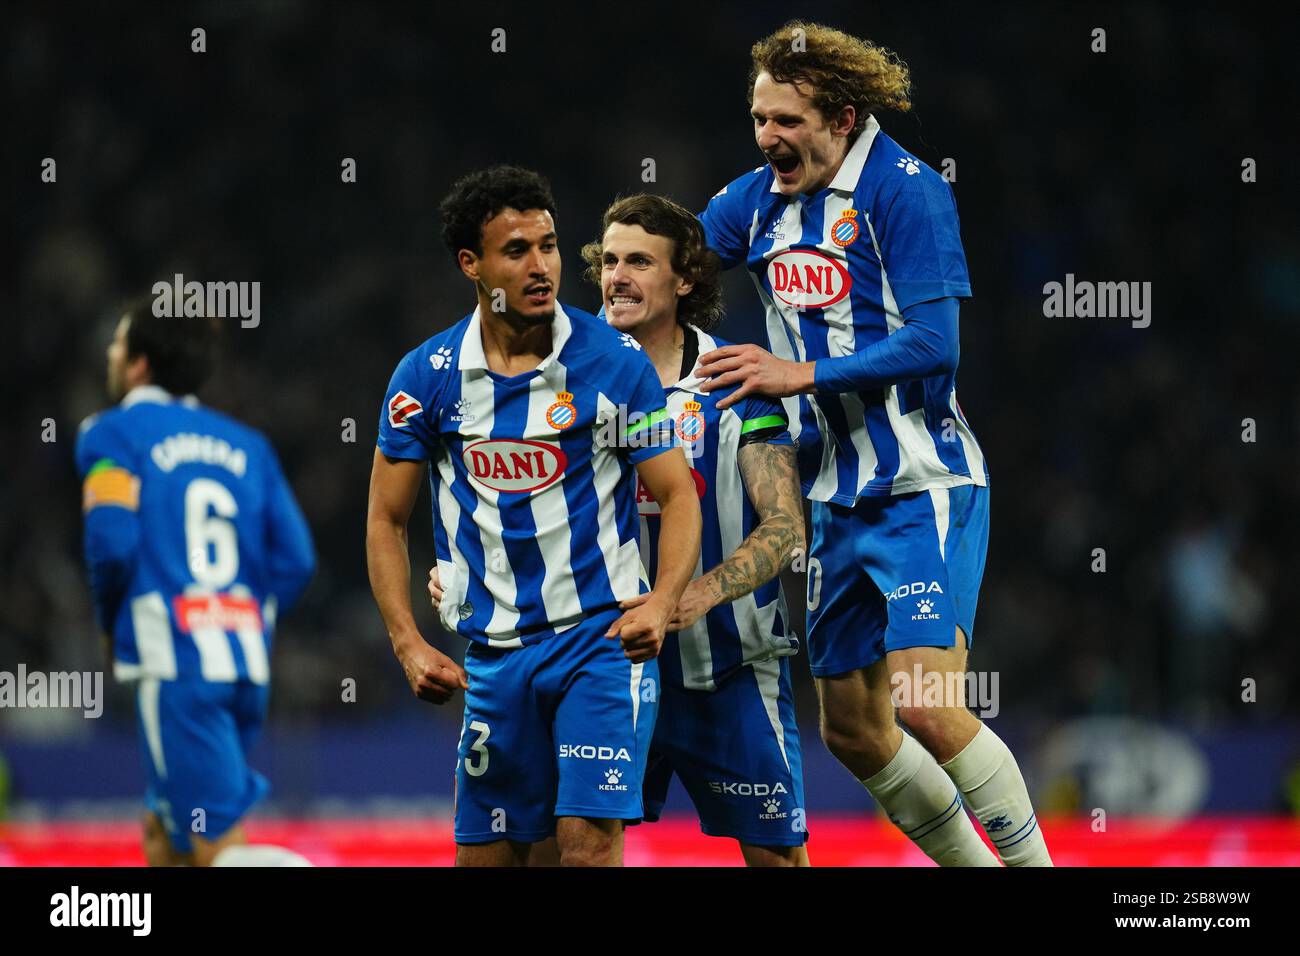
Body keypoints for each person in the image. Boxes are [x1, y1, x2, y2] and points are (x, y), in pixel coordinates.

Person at [693, 21, 1052, 866]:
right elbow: (674, 279)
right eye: (759, 118)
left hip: (920, 484)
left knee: (924, 700)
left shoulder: (907, 191)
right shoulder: (753, 205)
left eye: (788, 121)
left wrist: (799, 375)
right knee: (853, 730)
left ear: (843, 117)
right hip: (830, 502)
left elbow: (937, 344)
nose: (768, 138)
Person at [431, 194, 810, 865]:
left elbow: (784, 531)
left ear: (685, 278)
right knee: (560, 850)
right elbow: (495, 484)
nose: (616, 277)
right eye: (608, 261)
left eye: (638, 261)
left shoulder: (738, 381)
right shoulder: (554, 368)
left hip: (726, 669)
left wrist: (691, 596)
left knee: (777, 857)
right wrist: (468, 568)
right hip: (596, 661)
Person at [367, 166, 701, 867]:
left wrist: (663, 601)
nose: (541, 265)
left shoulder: (611, 362)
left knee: (583, 851)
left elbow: (676, 495)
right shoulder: (425, 378)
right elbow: (385, 521)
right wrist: (407, 643)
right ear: (471, 264)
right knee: (487, 861)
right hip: (495, 657)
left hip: (599, 644)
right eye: (516, 250)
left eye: (548, 245)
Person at [76, 301, 316, 867]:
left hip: (177, 665)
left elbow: (110, 543)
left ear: (138, 365)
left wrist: (111, 624)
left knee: (216, 848)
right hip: (242, 667)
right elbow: (298, 561)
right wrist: (242, 617)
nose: (109, 354)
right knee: (166, 829)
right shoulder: (248, 446)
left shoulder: (109, 435)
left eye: (116, 344)